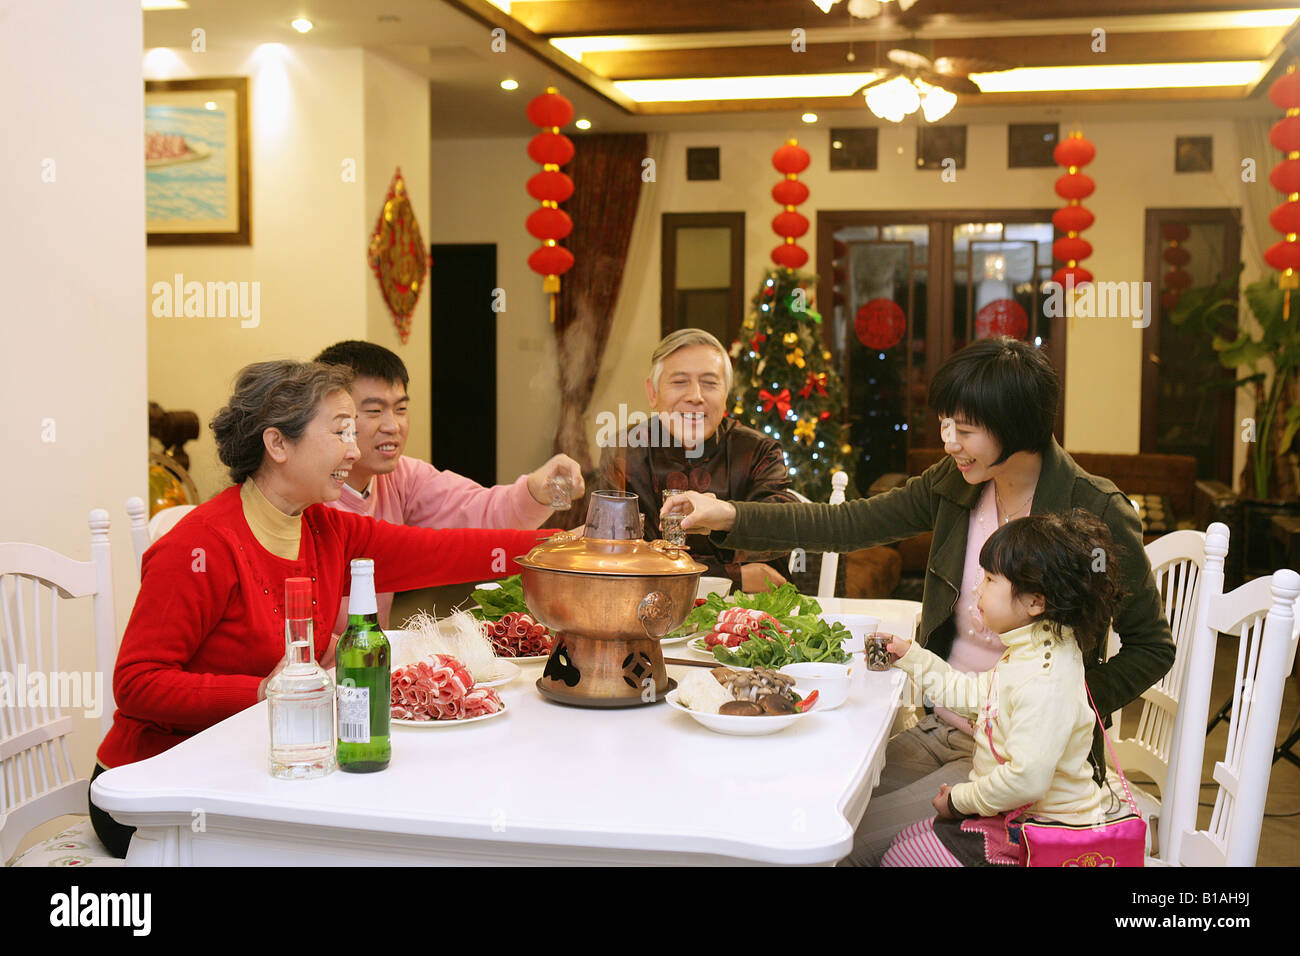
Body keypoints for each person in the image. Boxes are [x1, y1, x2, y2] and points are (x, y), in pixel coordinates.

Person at [662, 336, 1175, 864]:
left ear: (1016, 426)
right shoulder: (959, 483)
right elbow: (849, 523)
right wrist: (730, 514)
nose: (949, 442)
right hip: (939, 726)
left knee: (838, 844)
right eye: (945, 424)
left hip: (1009, 762)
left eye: (965, 430)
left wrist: (1055, 712)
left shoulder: (1094, 510)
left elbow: (1152, 647)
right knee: (805, 802)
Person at [91, 361, 552, 858]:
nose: (354, 449)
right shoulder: (199, 547)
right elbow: (137, 683)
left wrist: (563, 546)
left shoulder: (325, 528)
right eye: (340, 432)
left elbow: (441, 552)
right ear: (277, 444)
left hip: (265, 765)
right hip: (155, 792)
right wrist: (264, 693)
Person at [881, 511, 1122, 867]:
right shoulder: (1032, 651)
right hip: (1012, 816)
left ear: (1035, 601)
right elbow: (970, 696)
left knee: (898, 857)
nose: (978, 589)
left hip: (1041, 835)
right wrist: (911, 656)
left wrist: (959, 800)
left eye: (991, 579)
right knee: (904, 842)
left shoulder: (1044, 679)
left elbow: (1027, 781)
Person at [314, 340, 583, 632]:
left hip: (371, 652)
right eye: (374, 411)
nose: (393, 426)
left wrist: (534, 492)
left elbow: (477, 514)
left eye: (401, 408)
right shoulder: (309, 495)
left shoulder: (403, 476)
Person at [602, 328, 796, 592]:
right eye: (679, 382)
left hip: (743, 612)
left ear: (726, 394)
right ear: (653, 392)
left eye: (710, 383)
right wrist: (733, 576)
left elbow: (779, 538)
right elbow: (609, 555)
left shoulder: (758, 452)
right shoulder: (624, 451)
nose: (695, 396)